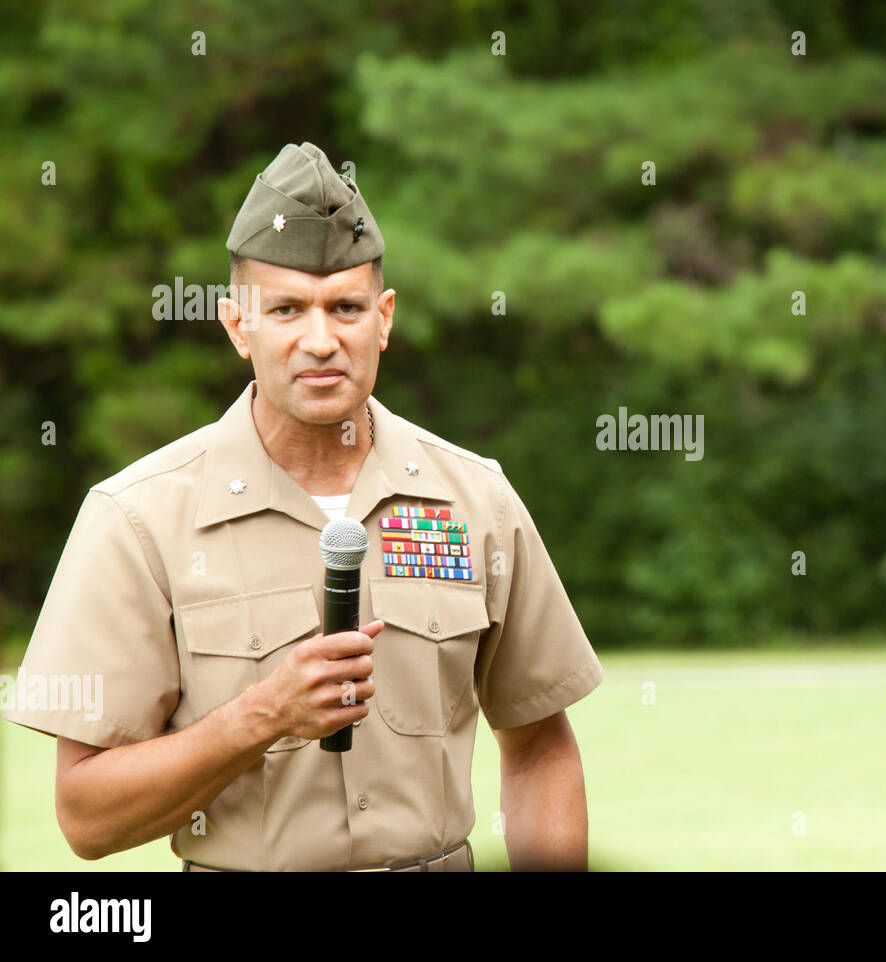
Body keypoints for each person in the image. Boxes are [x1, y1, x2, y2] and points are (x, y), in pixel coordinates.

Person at [3, 142, 604, 872]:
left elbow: (540, 745)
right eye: (286, 309)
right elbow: (87, 818)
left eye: (345, 307)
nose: (321, 340)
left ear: (383, 319)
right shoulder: (137, 519)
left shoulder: (474, 499)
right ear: (237, 325)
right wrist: (265, 715)